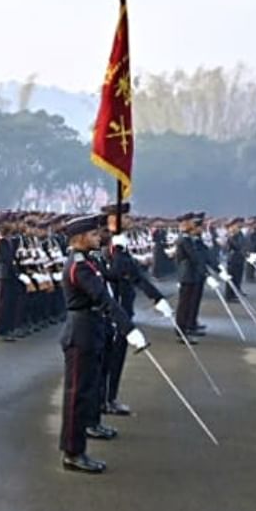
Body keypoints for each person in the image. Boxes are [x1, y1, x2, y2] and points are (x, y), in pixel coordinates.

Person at [57, 214, 139, 475]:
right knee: (76, 395)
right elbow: (103, 297)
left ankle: (82, 440)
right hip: (81, 332)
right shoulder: (79, 266)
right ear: (80, 238)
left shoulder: (89, 261)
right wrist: (128, 327)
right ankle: (72, 451)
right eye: (93, 234)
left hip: (92, 329)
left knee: (89, 389)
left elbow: (113, 278)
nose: (98, 237)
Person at [99, 201, 173, 418]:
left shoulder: (120, 244)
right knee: (110, 357)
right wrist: (119, 252)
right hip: (114, 308)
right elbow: (114, 273)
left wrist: (156, 298)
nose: (130, 221)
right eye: (126, 217)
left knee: (118, 356)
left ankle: (110, 397)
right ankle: (104, 399)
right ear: (114, 220)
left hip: (125, 306)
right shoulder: (107, 244)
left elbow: (136, 275)